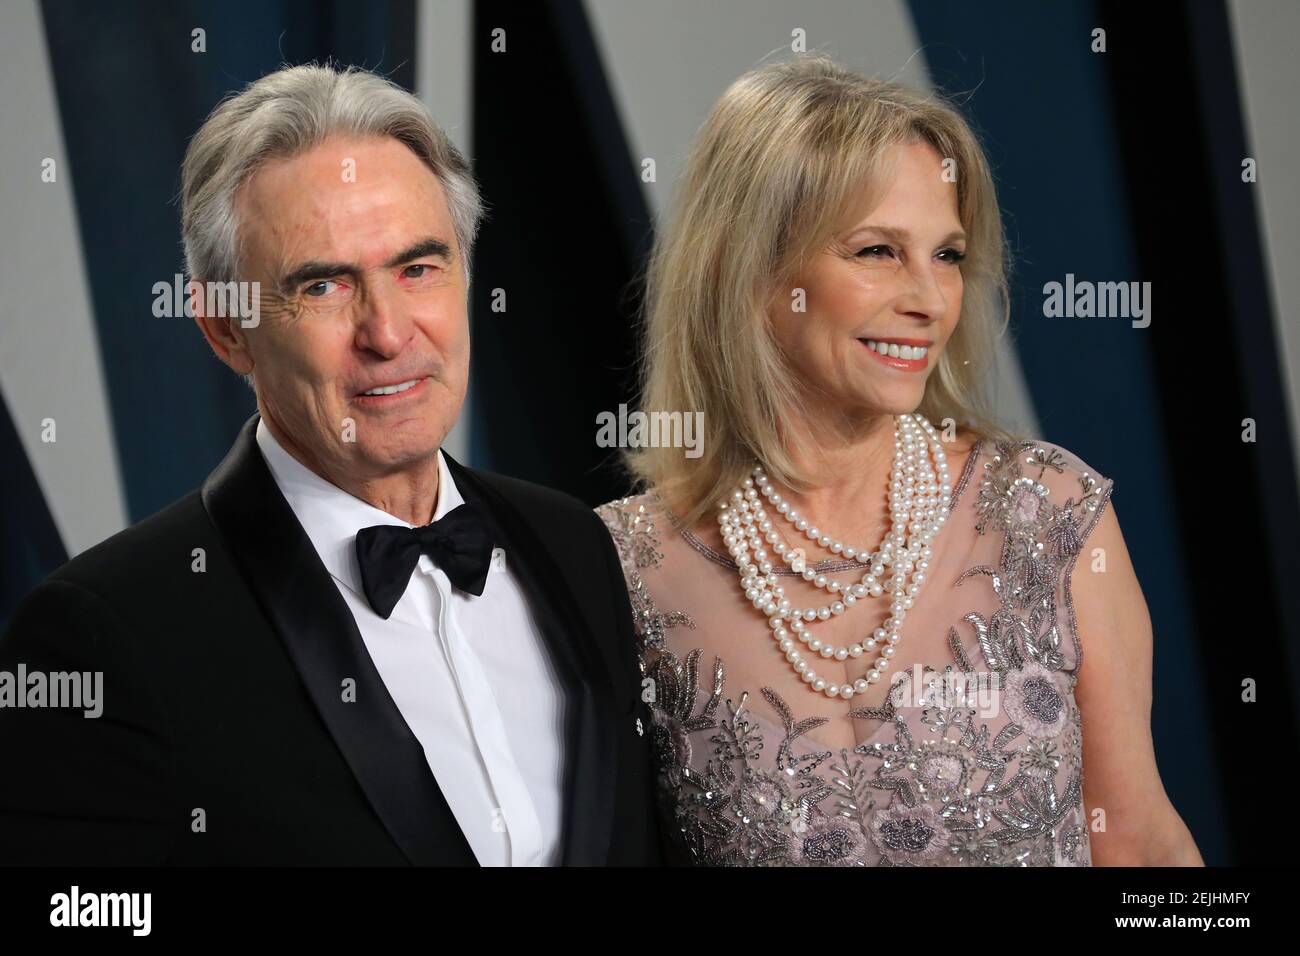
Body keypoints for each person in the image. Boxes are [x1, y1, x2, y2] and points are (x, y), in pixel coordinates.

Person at [0, 63, 660, 866]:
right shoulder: (104, 633)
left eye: (418, 268)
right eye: (322, 287)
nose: (386, 331)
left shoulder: (574, 546)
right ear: (223, 328)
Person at [597, 56, 1202, 866]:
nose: (928, 298)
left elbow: (1140, 844)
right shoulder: (627, 569)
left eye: (947, 255)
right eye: (878, 251)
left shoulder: (1045, 512)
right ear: (753, 270)